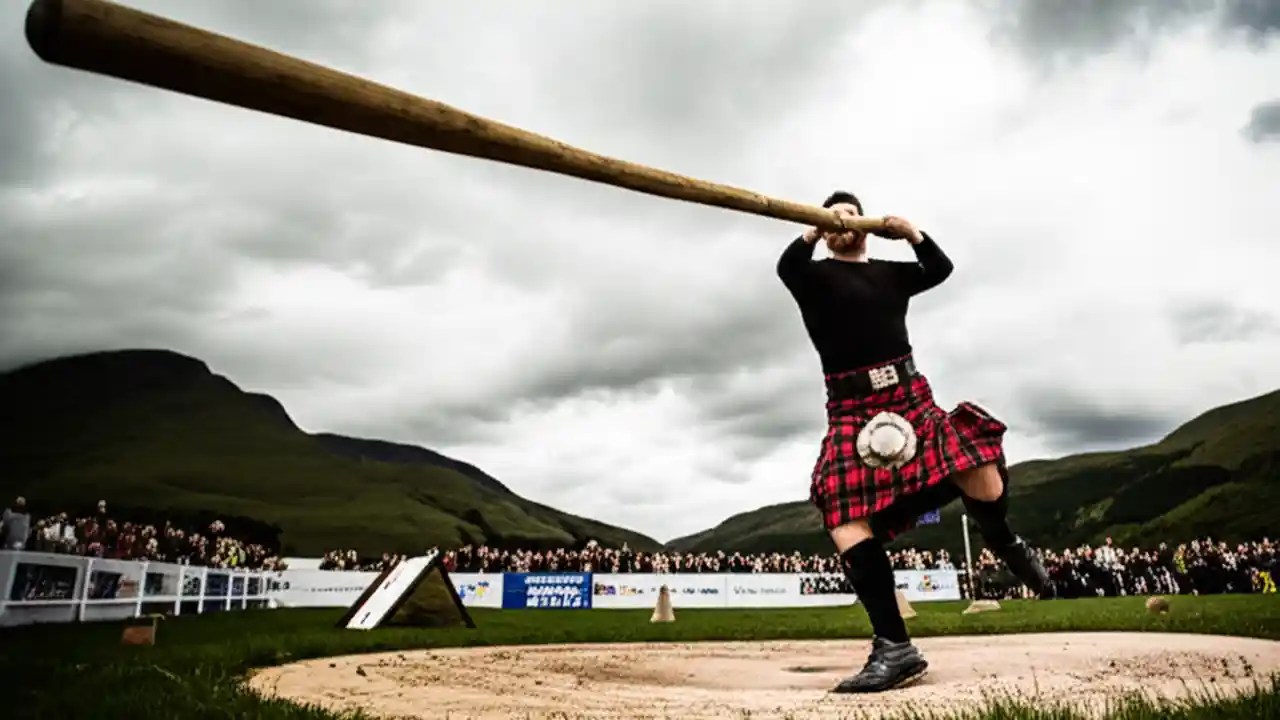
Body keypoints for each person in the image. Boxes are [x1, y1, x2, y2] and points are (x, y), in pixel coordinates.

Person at [776, 190, 1054, 694]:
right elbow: (786, 266)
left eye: (850, 212)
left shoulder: (890, 272)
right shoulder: (812, 277)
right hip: (849, 409)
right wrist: (813, 228)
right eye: (832, 212)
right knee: (842, 512)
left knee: (978, 459)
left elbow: (940, 268)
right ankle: (895, 648)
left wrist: (911, 235)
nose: (842, 219)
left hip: (909, 395)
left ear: (864, 225)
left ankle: (1003, 540)